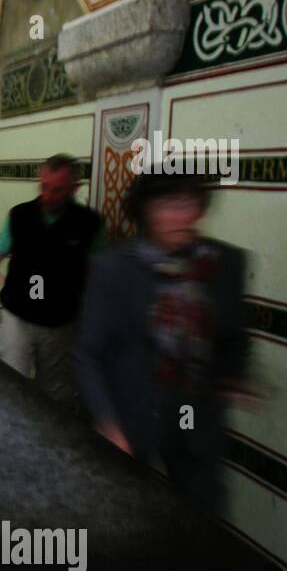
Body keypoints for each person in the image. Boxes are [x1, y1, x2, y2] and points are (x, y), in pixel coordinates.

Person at [74, 173, 250, 503]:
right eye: (170, 205)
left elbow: (234, 336)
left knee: (200, 523)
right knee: (121, 516)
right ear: (146, 211)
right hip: (130, 418)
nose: (183, 216)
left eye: (190, 204)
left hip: (197, 424)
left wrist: (233, 376)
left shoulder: (224, 263)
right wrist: (108, 422)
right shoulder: (113, 268)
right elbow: (88, 354)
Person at [0, 154, 104, 403]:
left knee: (55, 392)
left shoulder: (90, 224)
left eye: (57, 190)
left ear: (75, 188)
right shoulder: (20, 215)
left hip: (60, 322)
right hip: (18, 314)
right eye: (43, 187)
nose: (47, 195)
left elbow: (101, 273)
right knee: (10, 381)